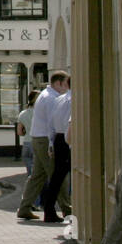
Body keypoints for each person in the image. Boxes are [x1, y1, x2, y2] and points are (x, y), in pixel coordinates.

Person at [16, 71, 71, 220]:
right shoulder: (52, 98)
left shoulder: (44, 95)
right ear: (58, 83)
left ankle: (24, 207)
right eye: (65, 84)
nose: (66, 88)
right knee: (57, 175)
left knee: (37, 176)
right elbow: (52, 123)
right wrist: (52, 145)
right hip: (46, 140)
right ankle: (67, 209)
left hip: (37, 138)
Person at [43, 77, 73, 222]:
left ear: (66, 84)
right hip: (69, 139)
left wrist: (51, 143)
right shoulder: (73, 100)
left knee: (56, 177)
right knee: (71, 176)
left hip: (58, 139)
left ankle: (49, 210)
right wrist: (71, 144)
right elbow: (70, 122)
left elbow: (51, 123)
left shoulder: (59, 99)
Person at [16, 89, 41, 207]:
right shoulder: (41, 113)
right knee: (38, 177)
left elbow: (19, 132)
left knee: (30, 176)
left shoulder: (23, 113)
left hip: (26, 145)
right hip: (37, 144)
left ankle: (28, 201)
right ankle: (35, 202)